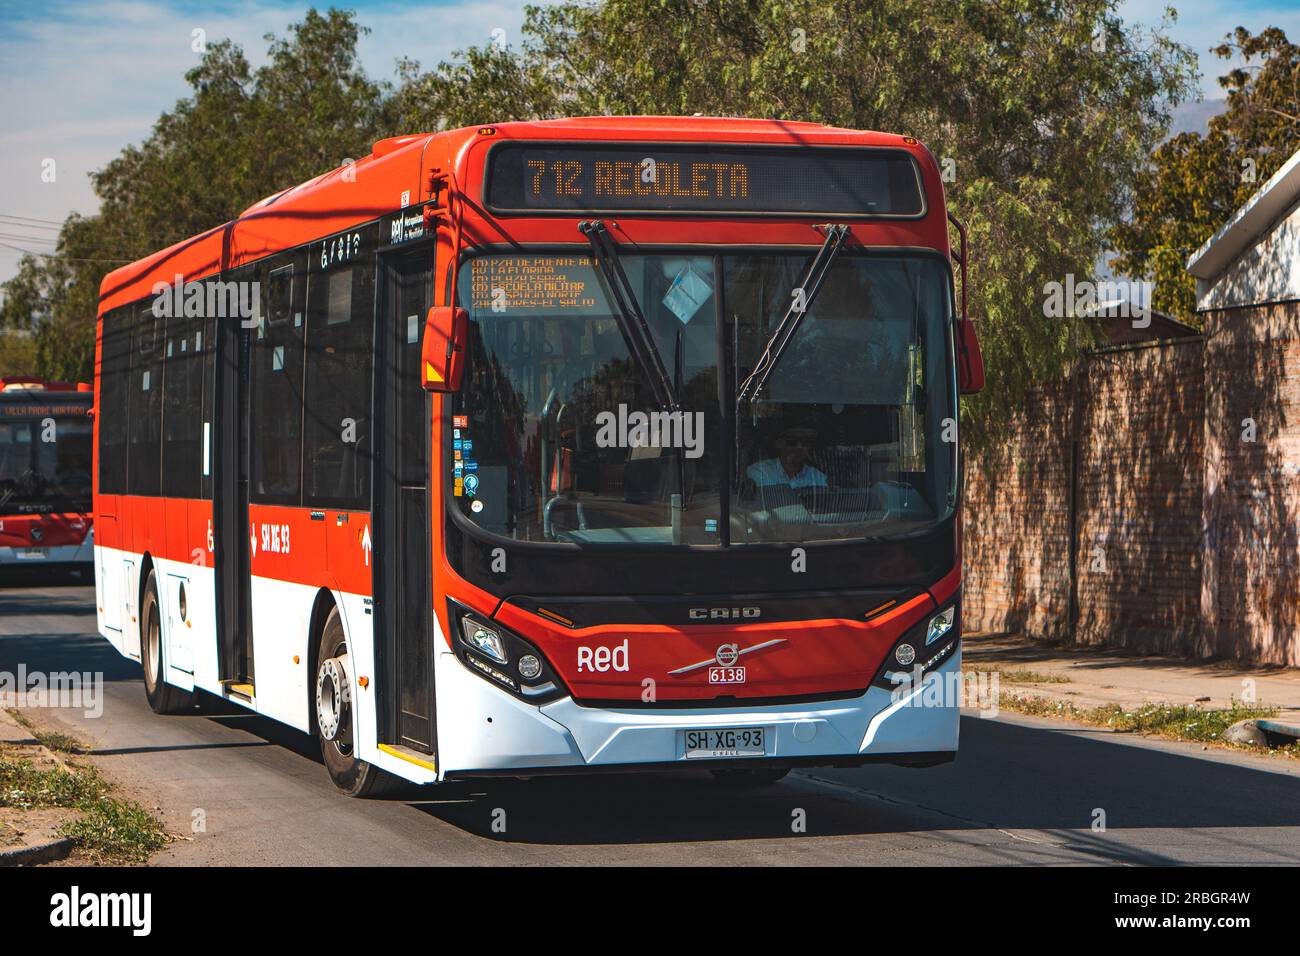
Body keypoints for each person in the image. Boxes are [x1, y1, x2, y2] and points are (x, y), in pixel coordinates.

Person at [745, 425, 828, 491]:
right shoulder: (759, 472)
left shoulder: (817, 477)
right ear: (778, 444)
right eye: (792, 441)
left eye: (805, 443)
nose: (799, 447)